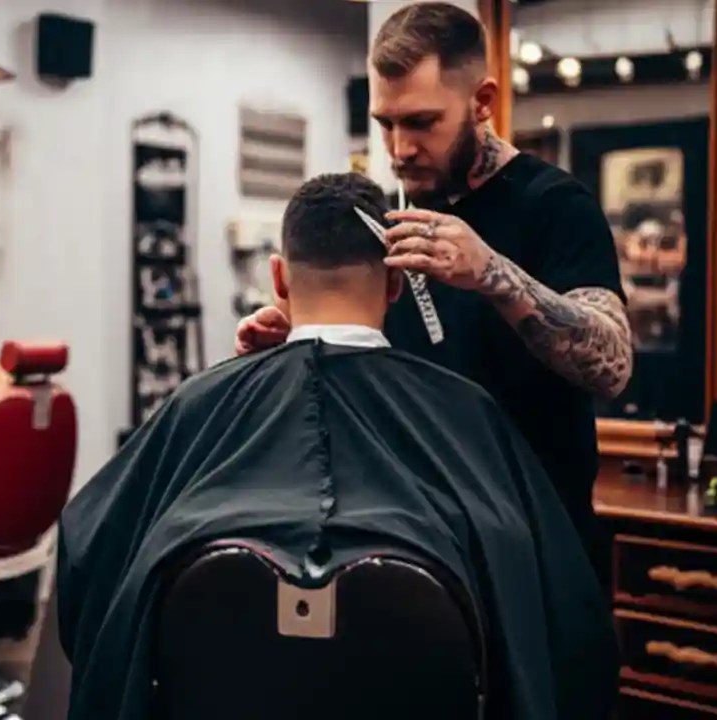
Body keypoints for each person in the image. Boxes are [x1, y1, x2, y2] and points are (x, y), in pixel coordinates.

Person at [58, 173, 618, 720]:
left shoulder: (197, 403)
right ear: (396, 284)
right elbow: (569, 622)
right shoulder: (468, 412)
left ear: (277, 279)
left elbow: (90, 552)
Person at [236, 3, 633, 563]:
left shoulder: (554, 207)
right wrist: (305, 336)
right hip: (423, 547)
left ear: (483, 103)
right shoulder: (386, 211)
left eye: (422, 123)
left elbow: (613, 364)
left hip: (537, 550)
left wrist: (494, 274)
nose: (399, 149)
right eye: (386, 124)